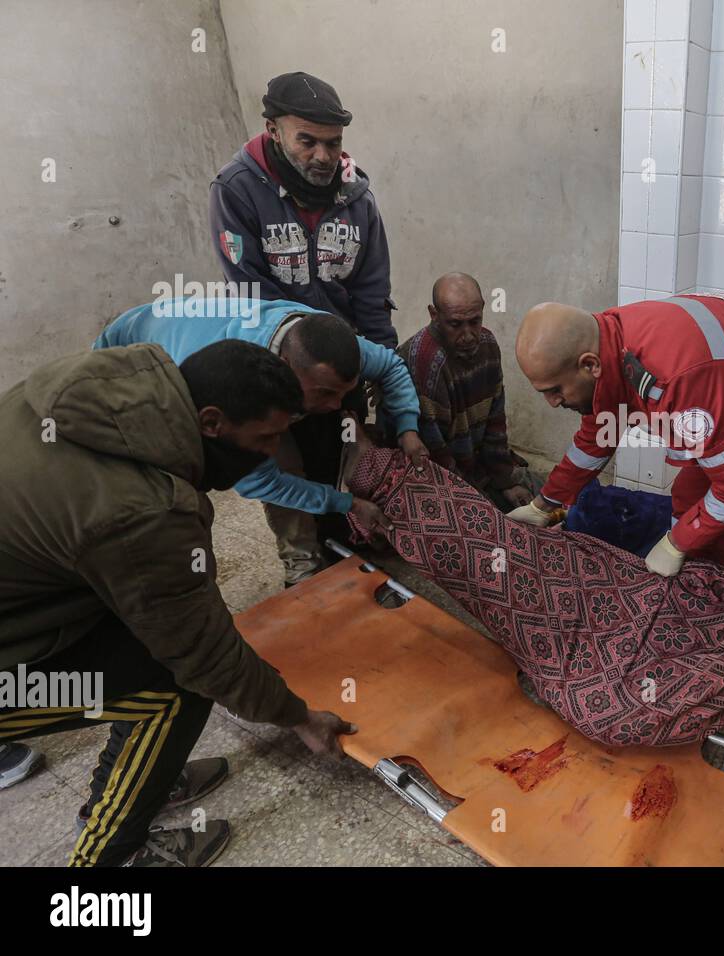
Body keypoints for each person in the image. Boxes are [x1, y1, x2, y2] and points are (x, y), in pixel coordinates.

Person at [0, 340, 355, 866]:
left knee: (144, 635)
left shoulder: (120, 383)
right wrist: (295, 714)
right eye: (266, 437)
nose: (273, 449)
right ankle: (112, 859)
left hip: (22, 599)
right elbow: (203, 654)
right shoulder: (140, 511)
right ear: (211, 422)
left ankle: (137, 780)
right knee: (176, 686)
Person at [95, 297, 431, 585]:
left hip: (197, 328)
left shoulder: (322, 343)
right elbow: (263, 483)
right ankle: (303, 569)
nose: (335, 406)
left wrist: (408, 429)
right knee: (183, 500)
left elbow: (391, 366)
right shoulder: (233, 392)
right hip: (128, 357)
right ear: (285, 366)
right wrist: (349, 504)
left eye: (342, 392)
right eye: (325, 393)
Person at [510, 296, 724, 581]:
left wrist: (676, 544)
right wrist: (544, 504)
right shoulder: (612, 347)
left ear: (589, 365)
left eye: (555, 390)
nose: (551, 402)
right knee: (687, 498)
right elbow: (596, 438)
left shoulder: (675, 378)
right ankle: (701, 596)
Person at [209, 71, 397, 348]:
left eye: (333, 143)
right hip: (271, 359)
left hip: (344, 359)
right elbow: (252, 293)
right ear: (274, 131)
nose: (323, 157)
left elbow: (372, 293)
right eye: (307, 142)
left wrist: (385, 363)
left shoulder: (358, 199)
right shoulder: (235, 191)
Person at [392, 272, 537, 511]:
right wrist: (480, 501)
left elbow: (495, 423)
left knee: (543, 498)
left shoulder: (488, 345)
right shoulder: (427, 362)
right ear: (434, 315)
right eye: (456, 324)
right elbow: (436, 458)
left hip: (474, 466)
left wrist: (505, 480)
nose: (468, 335)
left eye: (475, 321)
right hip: (434, 478)